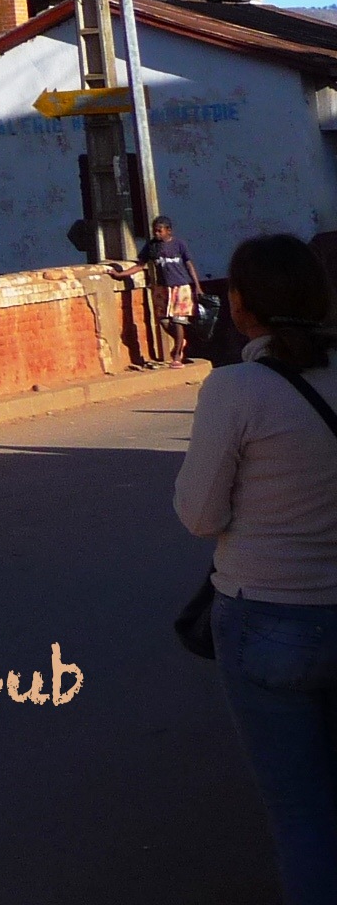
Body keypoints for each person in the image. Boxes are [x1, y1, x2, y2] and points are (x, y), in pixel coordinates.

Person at [173, 233, 337, 904]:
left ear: (240, 306)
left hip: (269, 620)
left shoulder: (235, 390)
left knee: (303, 814)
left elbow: (199, 516)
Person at [141, 216, 204, 368]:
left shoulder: (179, 245)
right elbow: (140, 264)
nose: (156, 234)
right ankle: (180, 341)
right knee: (163, 320)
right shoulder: (152, 246)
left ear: (168, 231)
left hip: (181, 287)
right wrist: (120, 274)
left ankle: (177, 356)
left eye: (159, 231)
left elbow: (189, 265)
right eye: (154, 231)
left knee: (178, 321)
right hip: (162, 288)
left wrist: (197, 285)